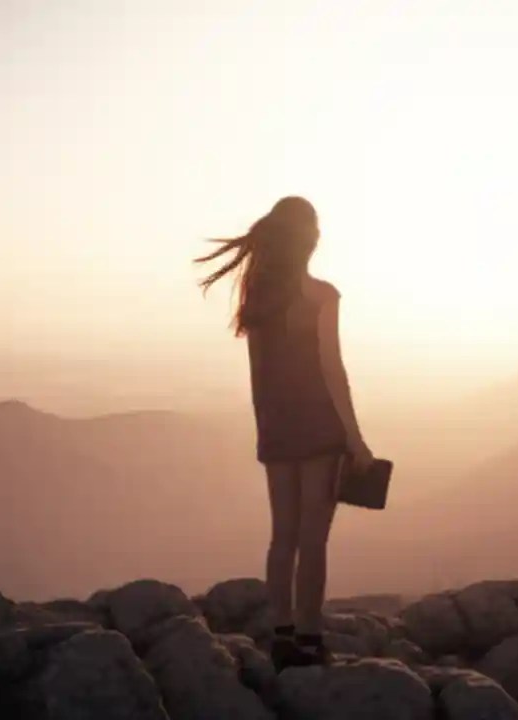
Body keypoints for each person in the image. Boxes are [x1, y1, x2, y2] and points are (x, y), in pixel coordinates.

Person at [195, 196, 374, 669]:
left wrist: (268, 427)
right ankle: (311, 638)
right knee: (314, 540)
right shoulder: (321, 296)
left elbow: (259, 375)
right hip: (320, 427)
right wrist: (355, 439)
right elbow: (332, 370)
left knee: (283, 538)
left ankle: (282, 635)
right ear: (310, 239)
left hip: (277, 429)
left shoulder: (258, 301)